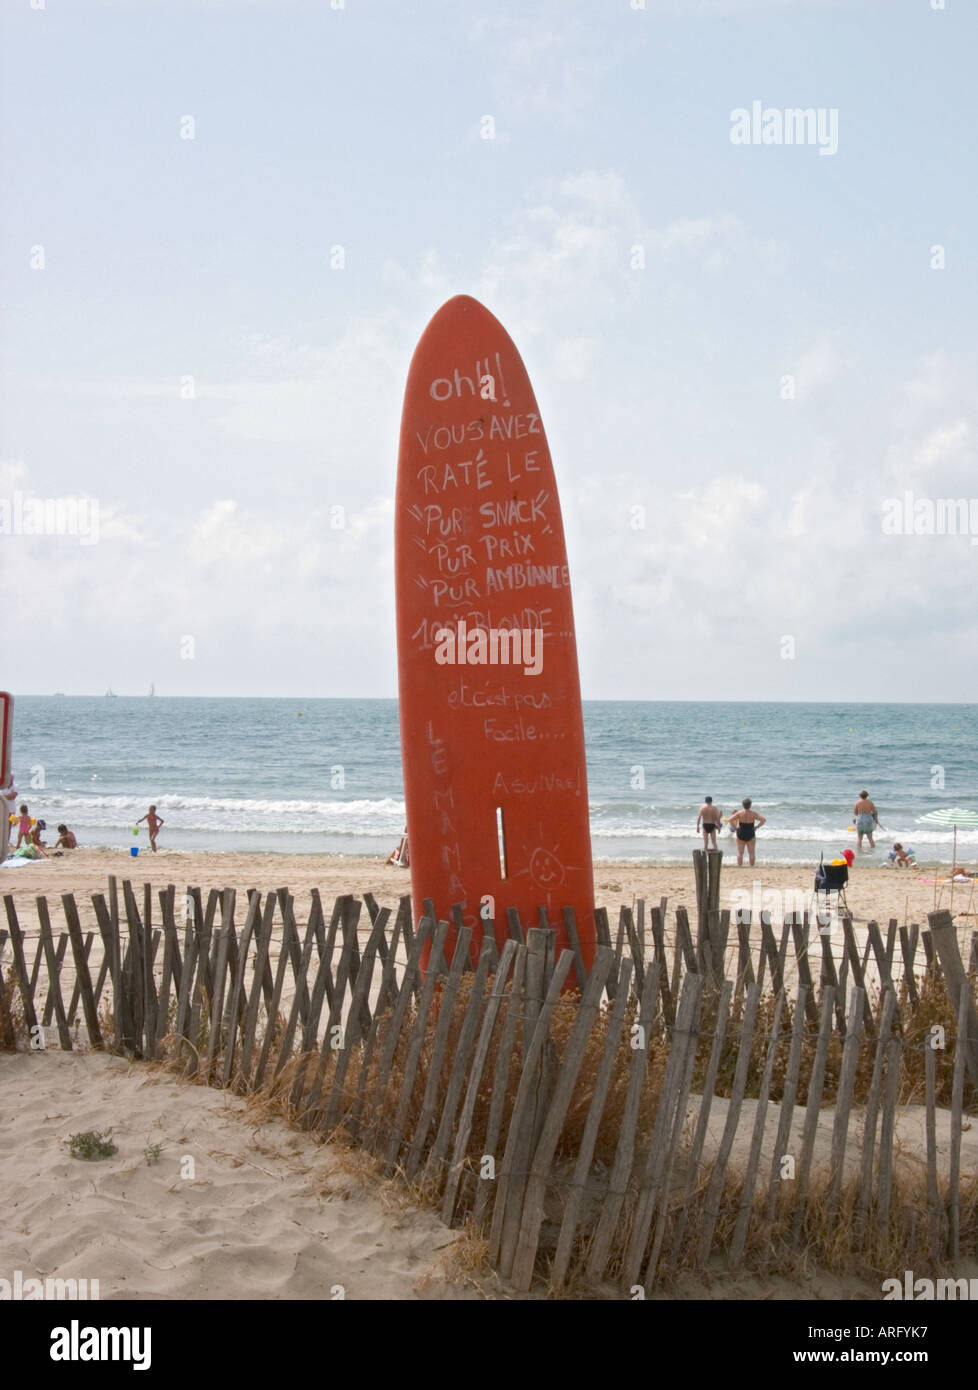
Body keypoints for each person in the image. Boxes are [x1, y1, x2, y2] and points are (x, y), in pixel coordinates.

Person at [728, 797, 766, 867]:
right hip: (750, 833)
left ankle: (740, 866)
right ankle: (752, 866)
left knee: (740, 852)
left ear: (743, 805)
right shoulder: (753, 814)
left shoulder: (739, 813)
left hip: (740, 833)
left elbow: (729, 820)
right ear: (750, 805)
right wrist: (757, 827)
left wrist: (735, 828)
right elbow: (763, 820)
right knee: (751, 852)